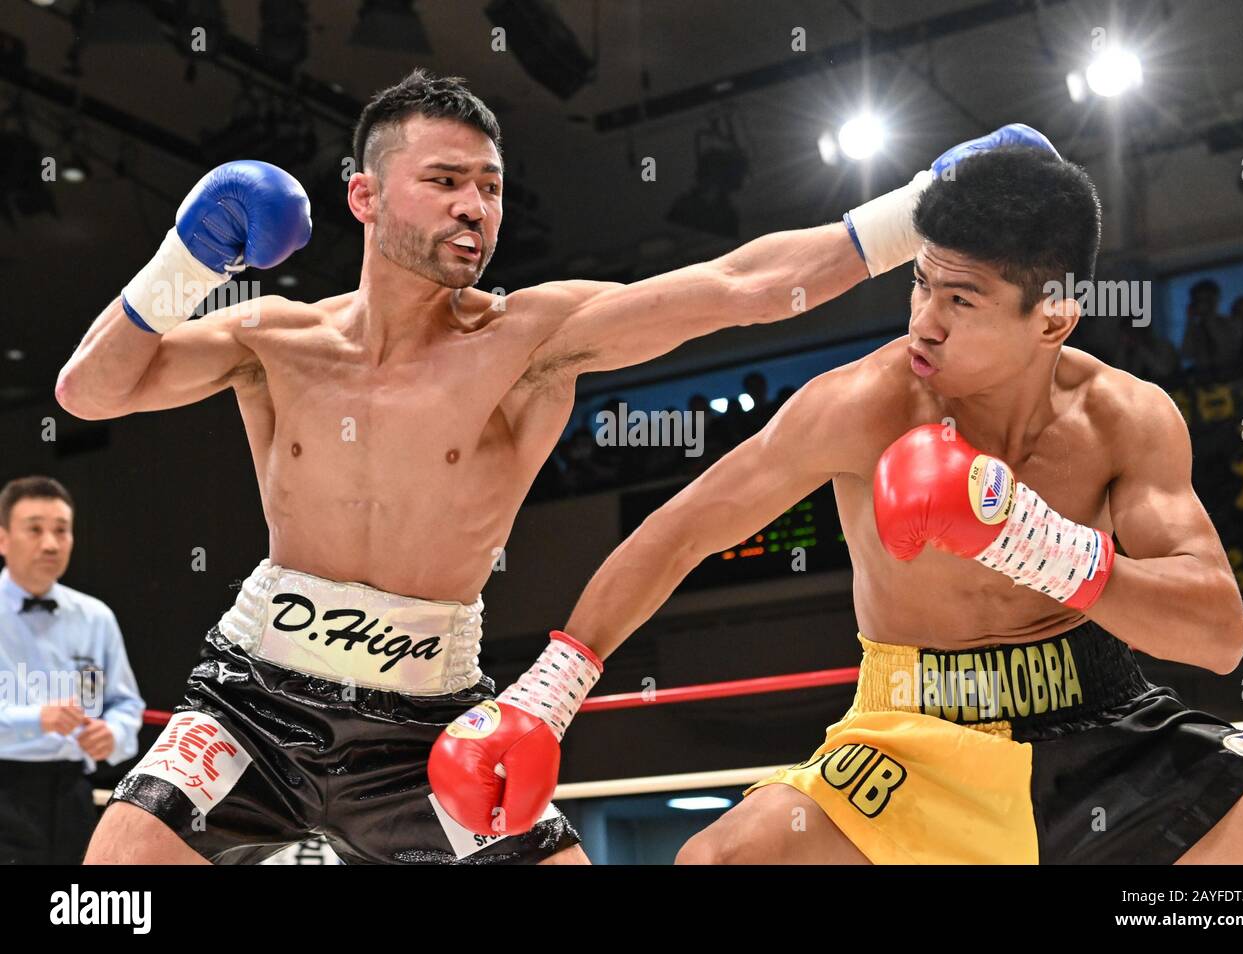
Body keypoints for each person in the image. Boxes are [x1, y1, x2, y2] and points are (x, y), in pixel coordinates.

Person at [55, 71, 1000, 864]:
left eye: (492, 187)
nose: (476, 206)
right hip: (251, 701)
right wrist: (187, 257)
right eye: (447, 180)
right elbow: (90, 394)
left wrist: (921, 208)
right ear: (366, 196)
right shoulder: (276, 337)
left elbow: (742, 289)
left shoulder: (529, 340)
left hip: (428, 725)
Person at [446, 145, 1243, 863]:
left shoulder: (1125, 418)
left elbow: (1218, 635)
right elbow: (680, 532)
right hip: (908, 739)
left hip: (1106, 724)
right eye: (922, 284)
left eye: (961, 300)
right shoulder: (862, 405)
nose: (924, 321)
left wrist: (1035, 542)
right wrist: (545, 697)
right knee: (717, 861)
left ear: (1054, 319)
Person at [0, 476, 144, 864]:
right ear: (3, 539)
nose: (50, 543)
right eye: (34, 529)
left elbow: (126, 704)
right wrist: (37, 719)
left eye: (61, 530)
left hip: (72, 792)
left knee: (76, 908)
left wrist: (111, 735)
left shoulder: (96, 617)